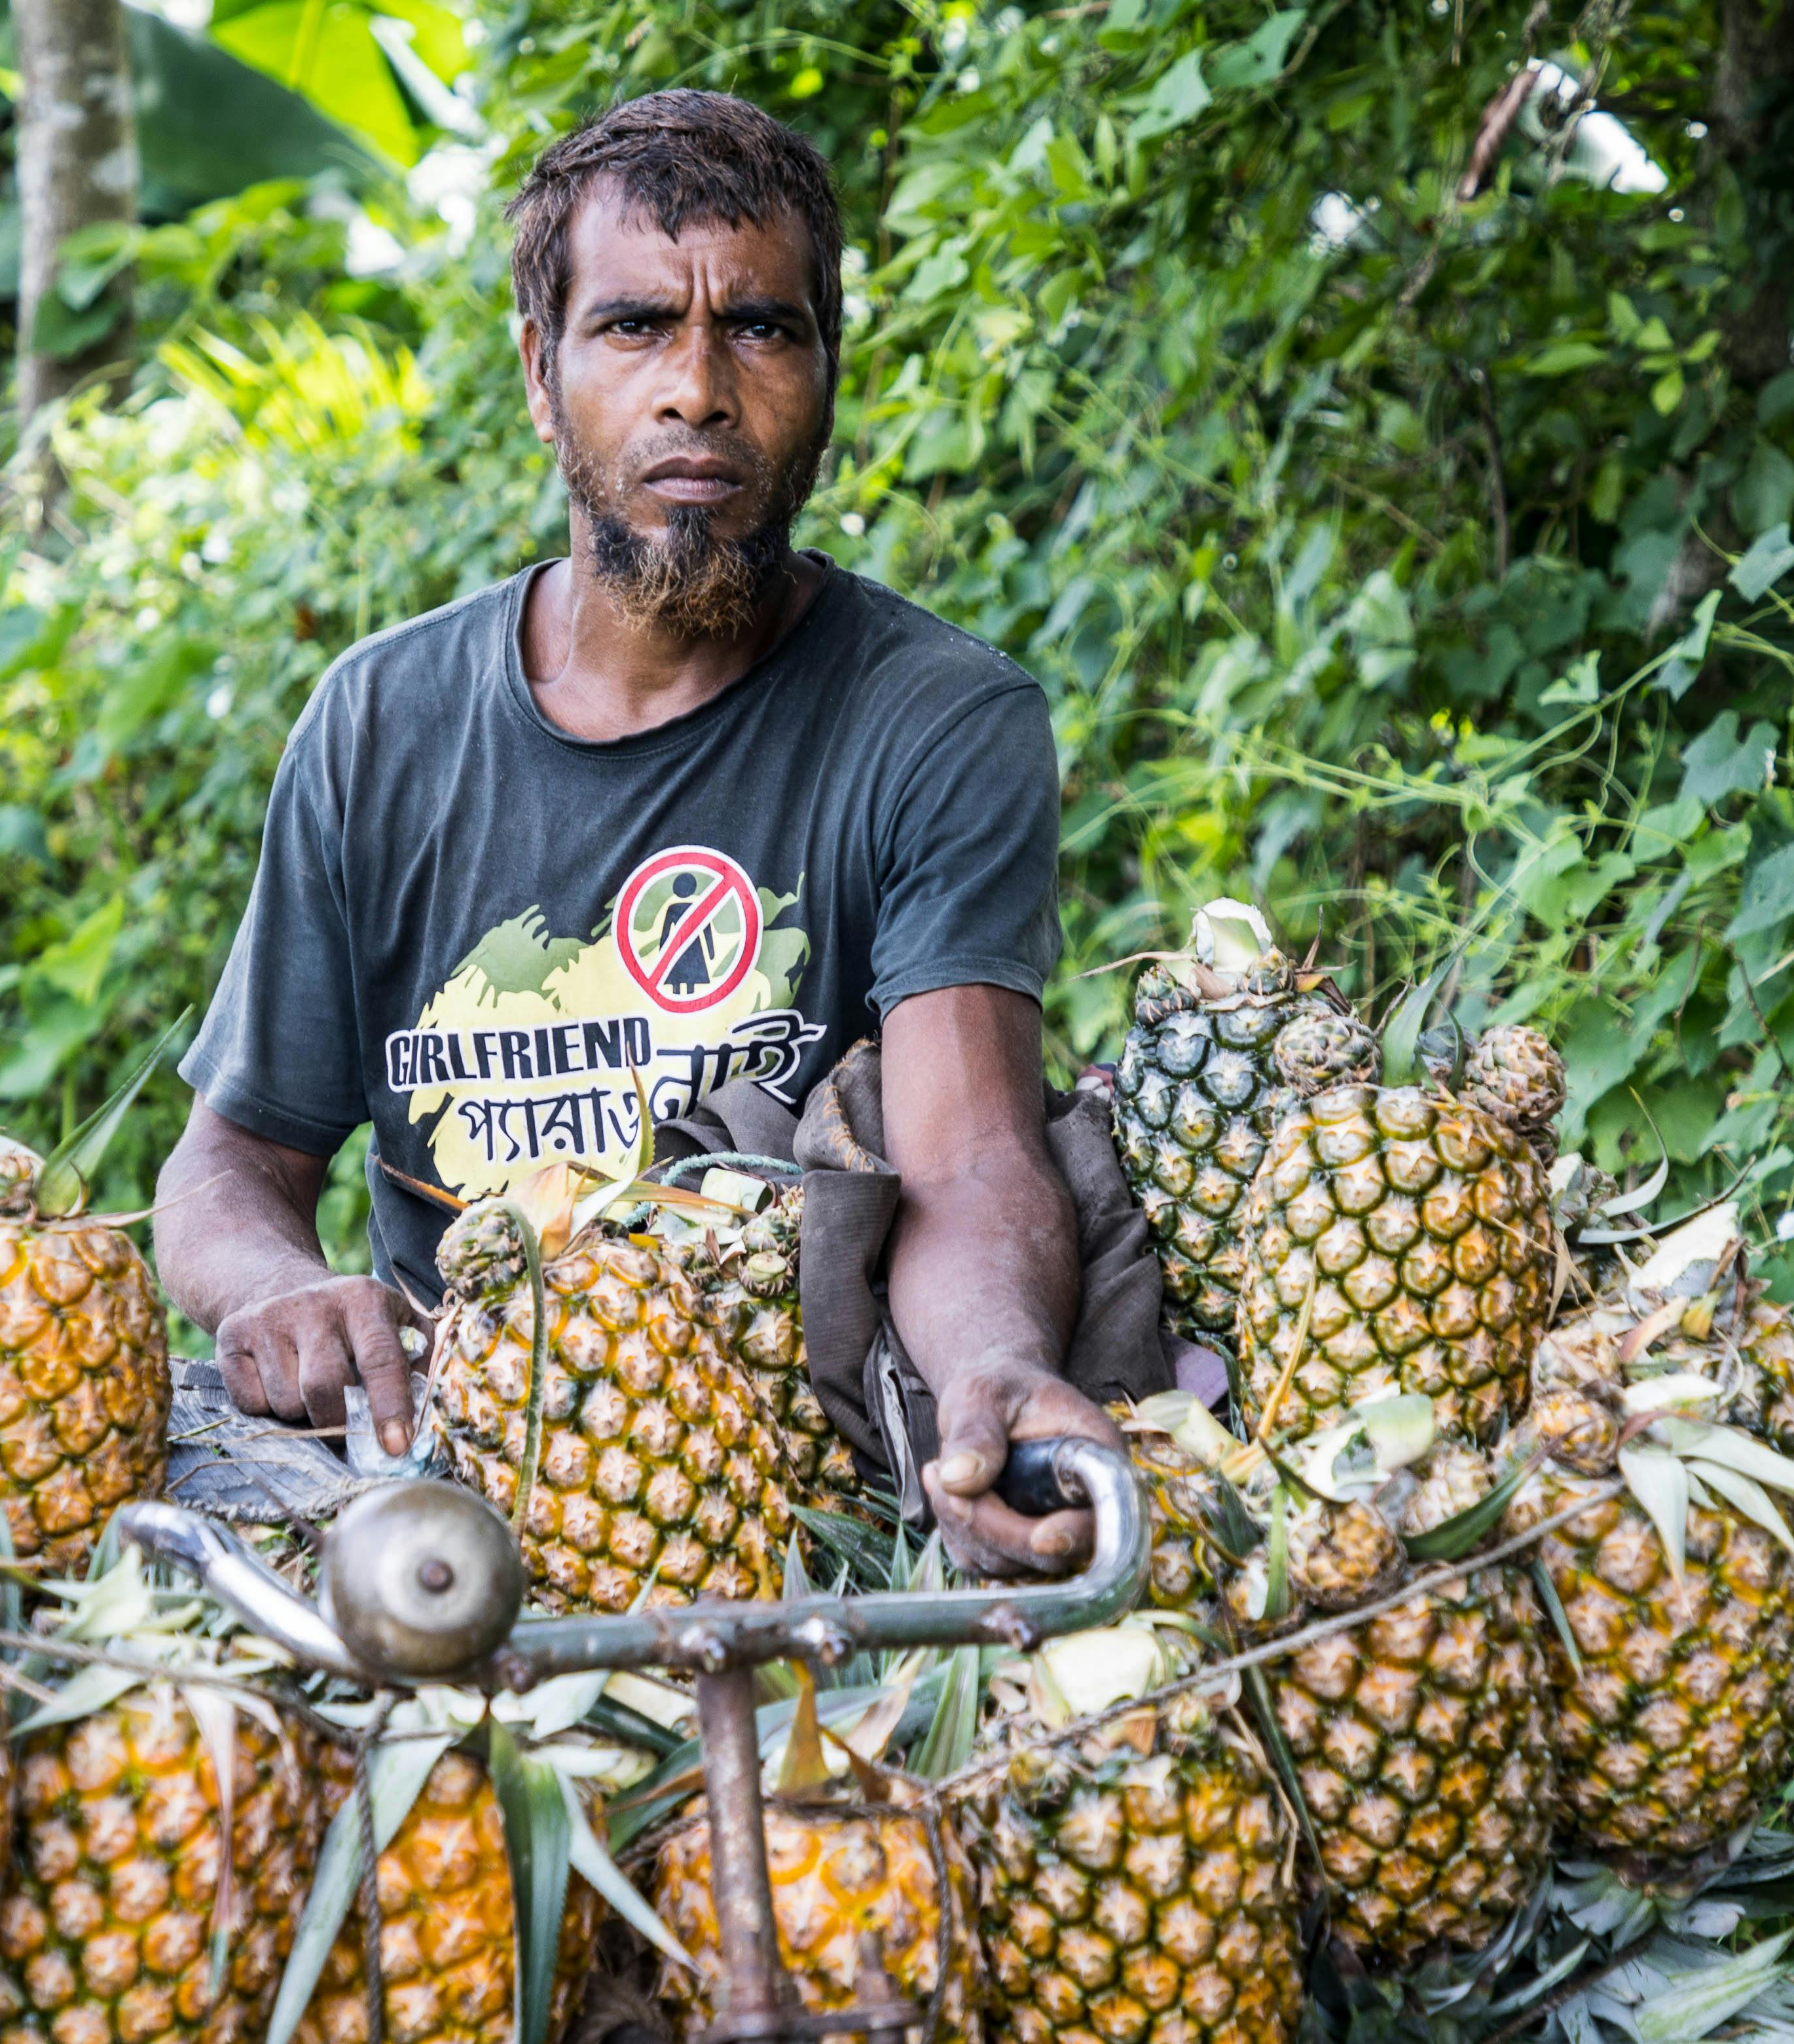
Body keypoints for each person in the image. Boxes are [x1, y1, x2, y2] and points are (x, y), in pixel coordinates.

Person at [151, 88, 1116, 1575]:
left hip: (782, 1498)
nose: (698, 390)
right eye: (634, 327)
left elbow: (968, 1153)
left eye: (762, 329)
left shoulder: (934, 721)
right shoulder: (382, 726)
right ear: (542, 375)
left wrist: (992, 1368)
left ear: (827, 369)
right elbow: (230, 1166)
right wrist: (277, 1288)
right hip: (447, 1494)